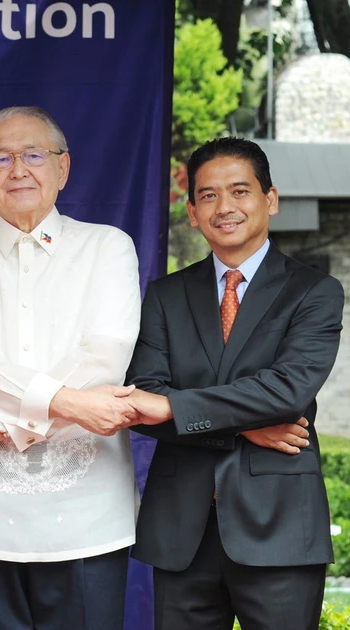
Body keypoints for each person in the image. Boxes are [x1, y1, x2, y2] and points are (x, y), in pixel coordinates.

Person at [0, 106, 142, 630]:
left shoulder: (108, 247)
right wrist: (70, 403)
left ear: (63, 168)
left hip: (90, 511)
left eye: (33, 155)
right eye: (0, 158)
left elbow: (105, 359)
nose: (17, 170)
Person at [126, 137, 343, 630]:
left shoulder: (314, 292)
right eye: (207, 195)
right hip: (183, 530)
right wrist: (244, 428)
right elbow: (143, 399)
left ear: (270, 199)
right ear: (192, 213)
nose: (224, 207)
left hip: (279, 527)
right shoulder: (165, 295)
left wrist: (177, 408)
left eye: (240, 191)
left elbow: (287, 390)